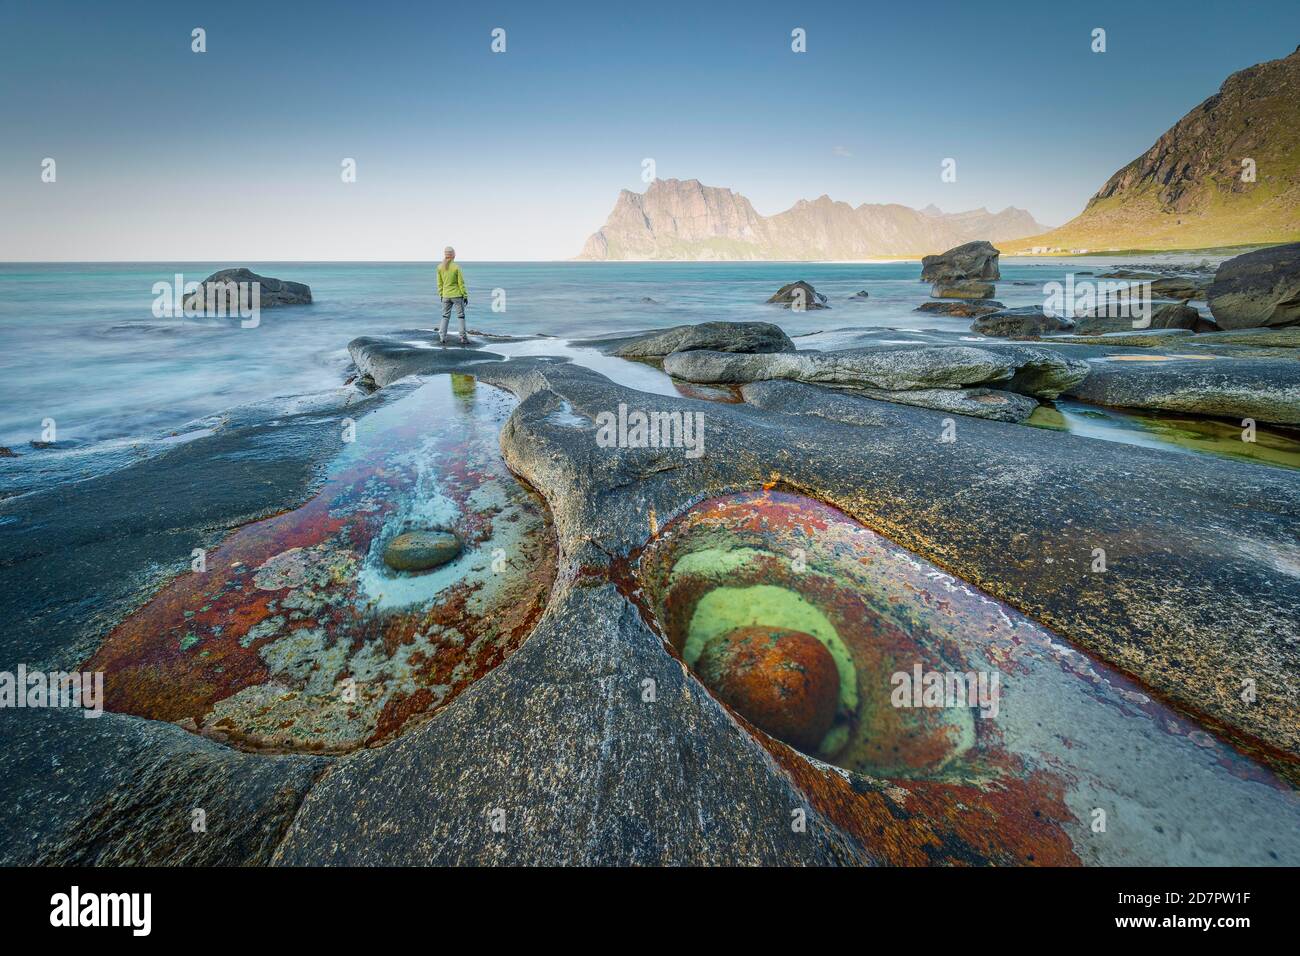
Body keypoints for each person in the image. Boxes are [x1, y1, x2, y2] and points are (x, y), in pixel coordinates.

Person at [436, 246, 469, 345]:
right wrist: (465, 295)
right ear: (453, 255)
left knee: (445, 316)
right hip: (457, 295)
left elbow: (439, 283)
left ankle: (442, 337)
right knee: (461, 316)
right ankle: (463, 338)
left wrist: (441, 294)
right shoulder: (456, 267)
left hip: (445, 295)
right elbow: (461, 283)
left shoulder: (439, 267)